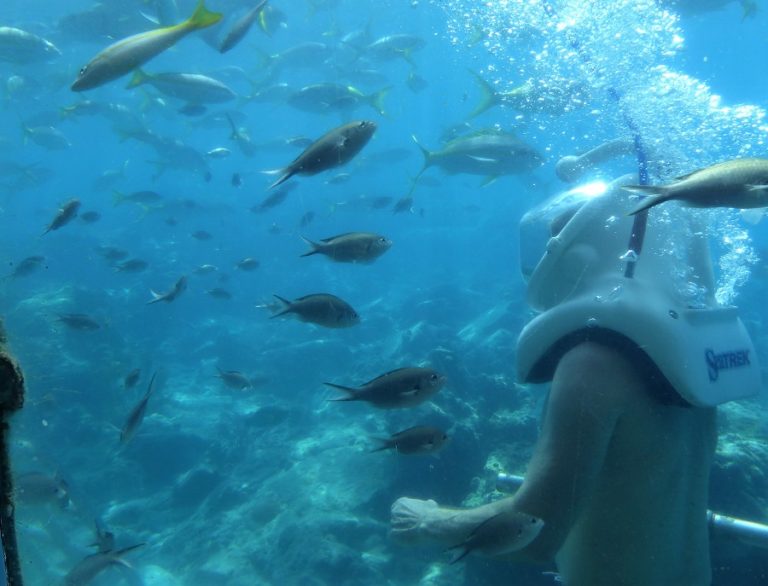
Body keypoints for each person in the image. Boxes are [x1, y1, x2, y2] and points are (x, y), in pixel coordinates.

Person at [390, 175, 762, 585]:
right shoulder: (685, 353)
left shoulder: (591, 362)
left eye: (558, 242)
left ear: (584, 256)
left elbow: (533, 533)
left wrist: (429, 522)